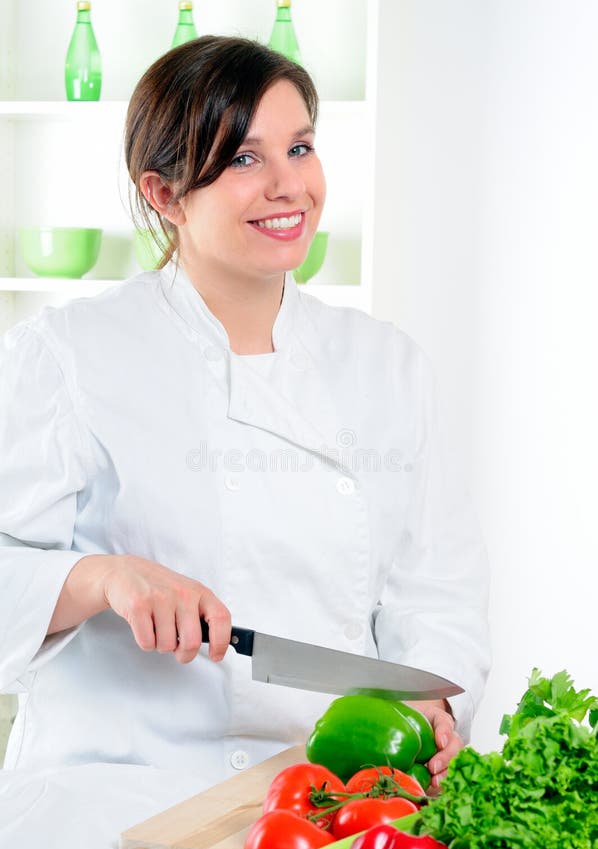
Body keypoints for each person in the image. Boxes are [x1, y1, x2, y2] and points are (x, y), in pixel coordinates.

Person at [0, 36, 489, 786]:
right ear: (164, 195)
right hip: (112, 790)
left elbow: (436, 591)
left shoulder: (386, 365)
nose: (288, 185)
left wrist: (430, 702)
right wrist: (101, 578)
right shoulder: (67, 355)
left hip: (322, 792)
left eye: (299, 147)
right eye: (243, 159)